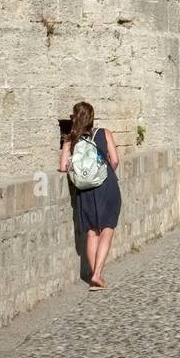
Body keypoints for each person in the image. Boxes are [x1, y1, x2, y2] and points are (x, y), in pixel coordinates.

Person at [58, 101, 121, 290]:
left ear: (74, 118)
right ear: (92, 117)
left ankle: (95, 276)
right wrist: (103, 171)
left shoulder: (70, 140)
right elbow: (115, 160)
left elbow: (63, 167)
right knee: (107, 229)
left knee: (92, 233)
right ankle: (97, 275)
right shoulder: (104, 133)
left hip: (85, 191)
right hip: (107, 186)